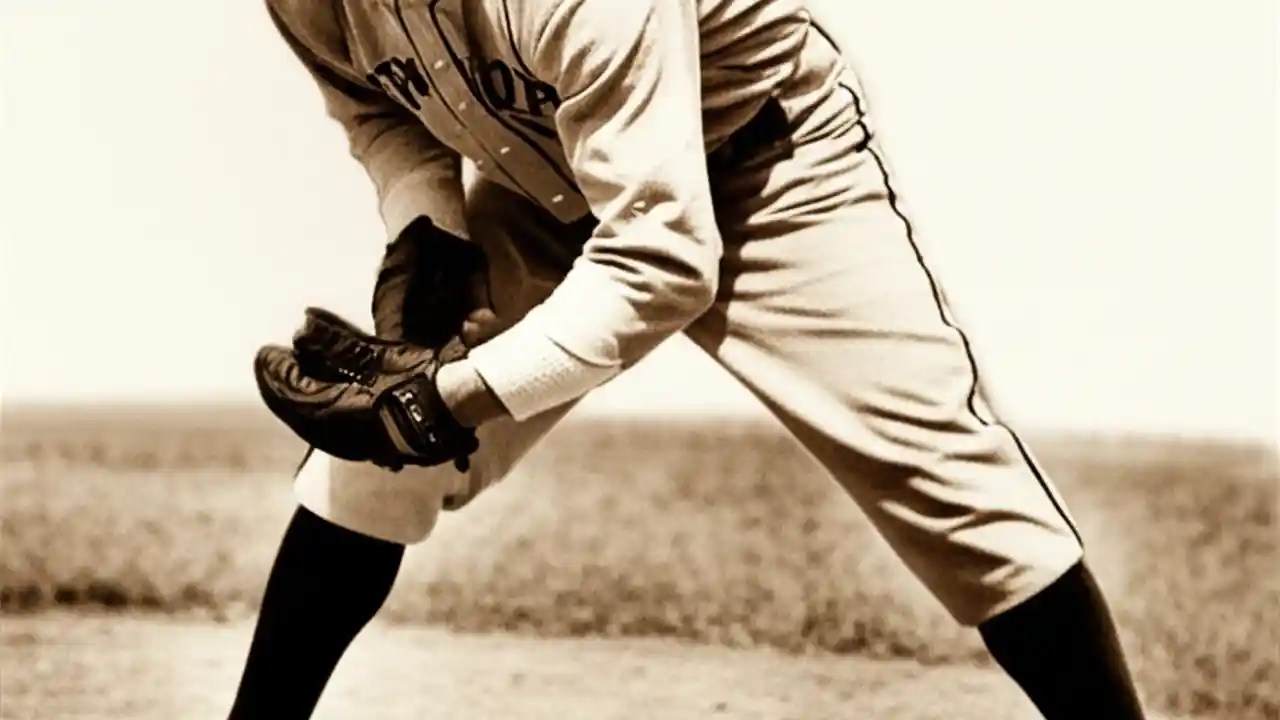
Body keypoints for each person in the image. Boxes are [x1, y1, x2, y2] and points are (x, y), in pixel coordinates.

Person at [229, 1, 1148, 717]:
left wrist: (446, 401)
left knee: (953, 488)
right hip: (550, 183)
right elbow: (378, 111)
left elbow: (660, 260)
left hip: (768, 165)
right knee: (368, 469)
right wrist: (428, 236)